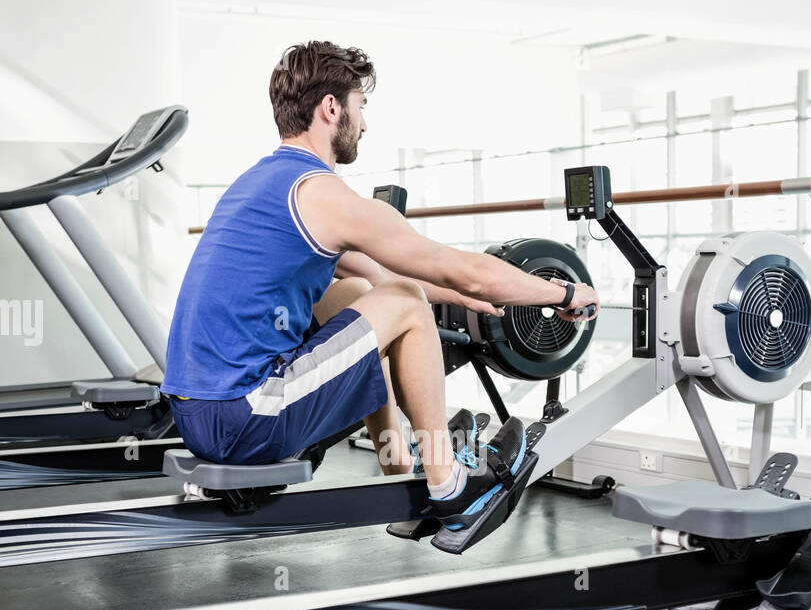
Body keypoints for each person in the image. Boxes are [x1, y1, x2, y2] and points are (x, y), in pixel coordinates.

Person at [162, 40, 599, 529]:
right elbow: (457, 272)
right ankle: (449, 483)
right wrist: (564, 293)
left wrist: (457, 296)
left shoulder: (260, 184)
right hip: (246, 418)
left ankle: (399, 462)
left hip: (198, 414)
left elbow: (380, 277)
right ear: (332, 108)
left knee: (352, 296)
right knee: (407, 304)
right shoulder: (322, 194)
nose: (364, 123)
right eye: (360, 106)